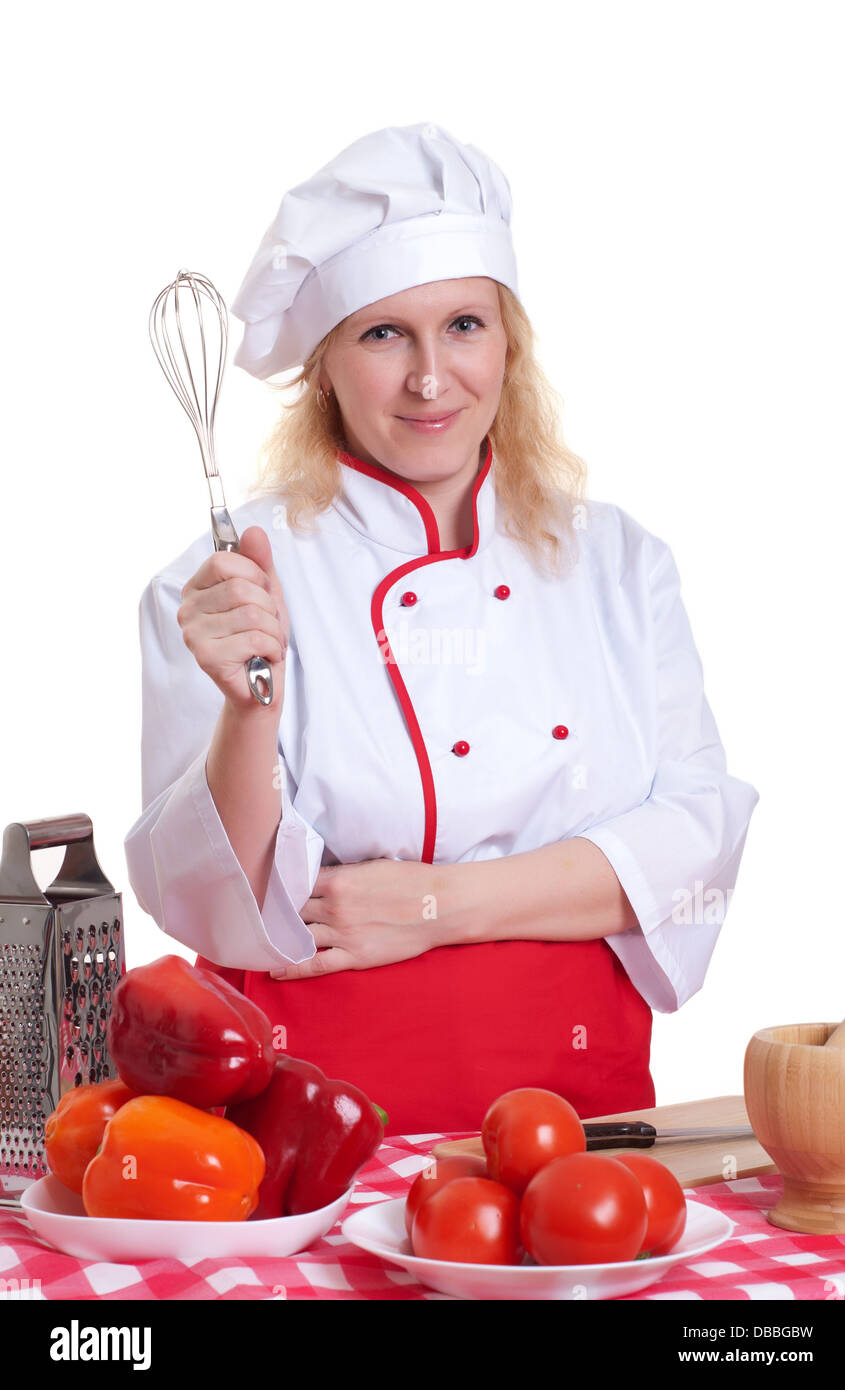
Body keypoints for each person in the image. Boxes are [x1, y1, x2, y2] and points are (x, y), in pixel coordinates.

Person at [124, 122, 759, 1134]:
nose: (430, 379)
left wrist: (430, 905)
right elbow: (219, 906)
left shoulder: (619, 563)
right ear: (323, 365)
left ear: (509, 342)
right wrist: (251, 709)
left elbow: (691, 842)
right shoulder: (224, 581)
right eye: (383, 334)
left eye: (463, 324)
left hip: (580, 1122)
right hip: (311, 1135)